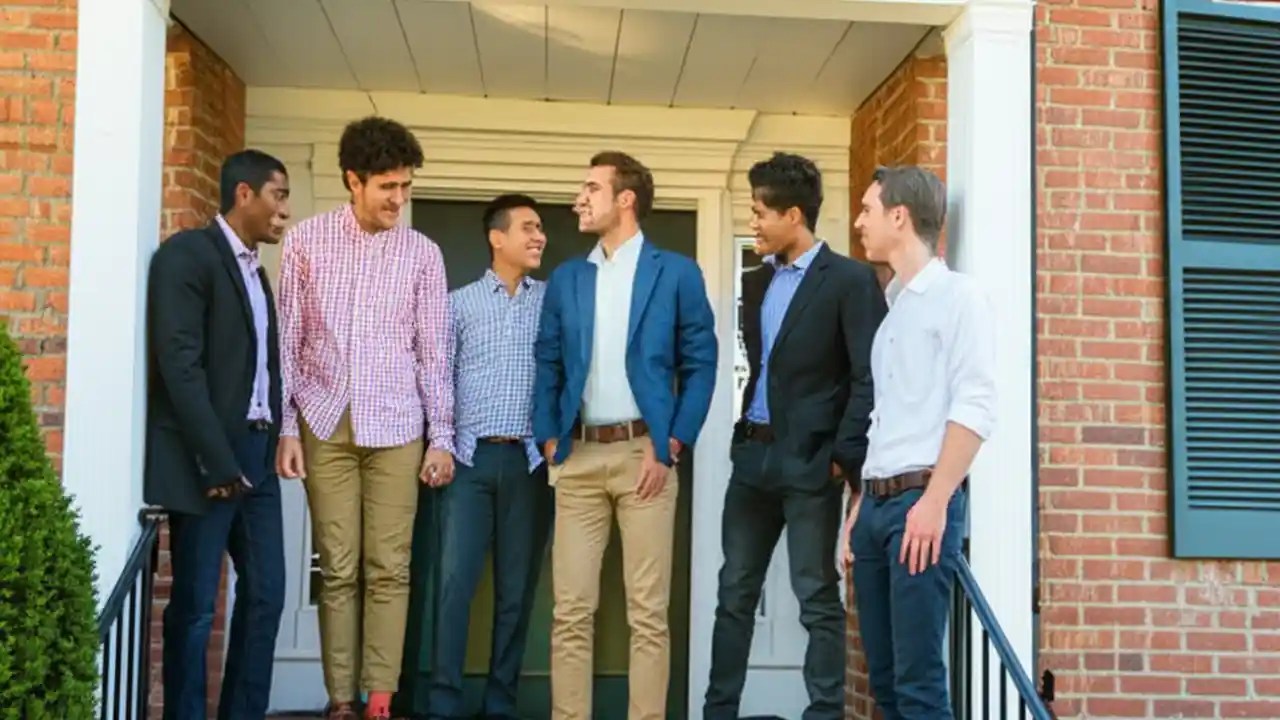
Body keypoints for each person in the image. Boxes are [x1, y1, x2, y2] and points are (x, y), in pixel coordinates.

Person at [275, 116, 454, 720]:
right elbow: (286, 344)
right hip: (324, 424)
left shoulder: (423, 255)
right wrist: (285, 428)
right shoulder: (304, 243)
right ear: (353, 180)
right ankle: (340, 701)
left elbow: (434, 351)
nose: (399, 200)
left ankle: (380, 698)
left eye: (405, 187)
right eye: (387, 187)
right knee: (339, 566)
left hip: (399, 428)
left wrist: (442, 438)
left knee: (389, 568)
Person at [533, 151, 718, 720]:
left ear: (626, 199)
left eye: (591, 188)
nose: (578, 199)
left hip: (648, 456)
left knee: (648, 613)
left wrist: (673, 445)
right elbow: (547, 362)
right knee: (570, 611)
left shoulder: (677, 272)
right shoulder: (568, 277)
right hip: (579, 456)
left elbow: (702, 361)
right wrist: (547, 438)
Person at [703, 152, 886, 720]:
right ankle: (719, 712)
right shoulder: (757, 280)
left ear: (795, 215)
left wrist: (841, 457)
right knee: (734, 594)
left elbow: (868, 376)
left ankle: (824, 714)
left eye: (761, 212)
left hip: (811, 466)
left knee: (816, 599)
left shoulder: (851, 281)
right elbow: (763, 367)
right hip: (753, 459)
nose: (753, 222)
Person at [845, 165, 997, 719]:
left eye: (867, 210)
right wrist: (859, 508)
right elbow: (889, 416)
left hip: (919, 505)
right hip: (877, 508)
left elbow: (976, 407)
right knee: (884, 682)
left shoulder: (959, 296)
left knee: (918, 683)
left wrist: (935, 502)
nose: (859, 221)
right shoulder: (894, 305)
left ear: (900, 217)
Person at [145, 149, 292, 720]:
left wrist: (275, 432)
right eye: (279, 195)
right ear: (244, 195)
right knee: (196, 608)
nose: (285, 211)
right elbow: (179, 366)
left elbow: (262, 367)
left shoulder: (257, 272)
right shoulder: (188, 256)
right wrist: (216, 460)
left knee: (266, 595)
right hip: (207, 462)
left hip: (255, 456)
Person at [428, 194, 554, 719]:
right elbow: (438, 378)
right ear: (496, 238)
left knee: (516, 592)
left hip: (528, 463)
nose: (539, 237)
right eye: (527, 228)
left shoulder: (553, 302)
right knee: (455, 584)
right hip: (469, 462)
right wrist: (440, 442)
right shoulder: (457, 304)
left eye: (541, 228)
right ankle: (442, 703)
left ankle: (500, 705)